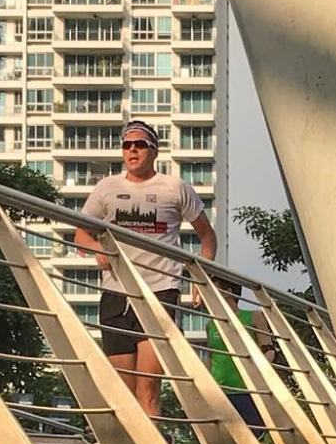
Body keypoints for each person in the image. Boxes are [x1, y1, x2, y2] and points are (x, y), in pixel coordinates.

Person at [72, 121, 216, 418]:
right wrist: (99, 250)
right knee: (123, 391)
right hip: (116, 295)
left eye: (139, 145)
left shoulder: (175, 187)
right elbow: (81, 235)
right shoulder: (106, 188)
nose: (132, 150)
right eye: (127, 145)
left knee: (147, 389)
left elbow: (207, 236)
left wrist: (201, 280)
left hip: (160, 292)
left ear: (154, 151)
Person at [204, 276, 271, 427]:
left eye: (214, 290)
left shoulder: (254, 316)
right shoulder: (211, 324)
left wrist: (259, 371)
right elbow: (210, 356)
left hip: (247, 389)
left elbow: (268, 349)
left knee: (253, 436)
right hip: (220, 392)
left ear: (228, 292)